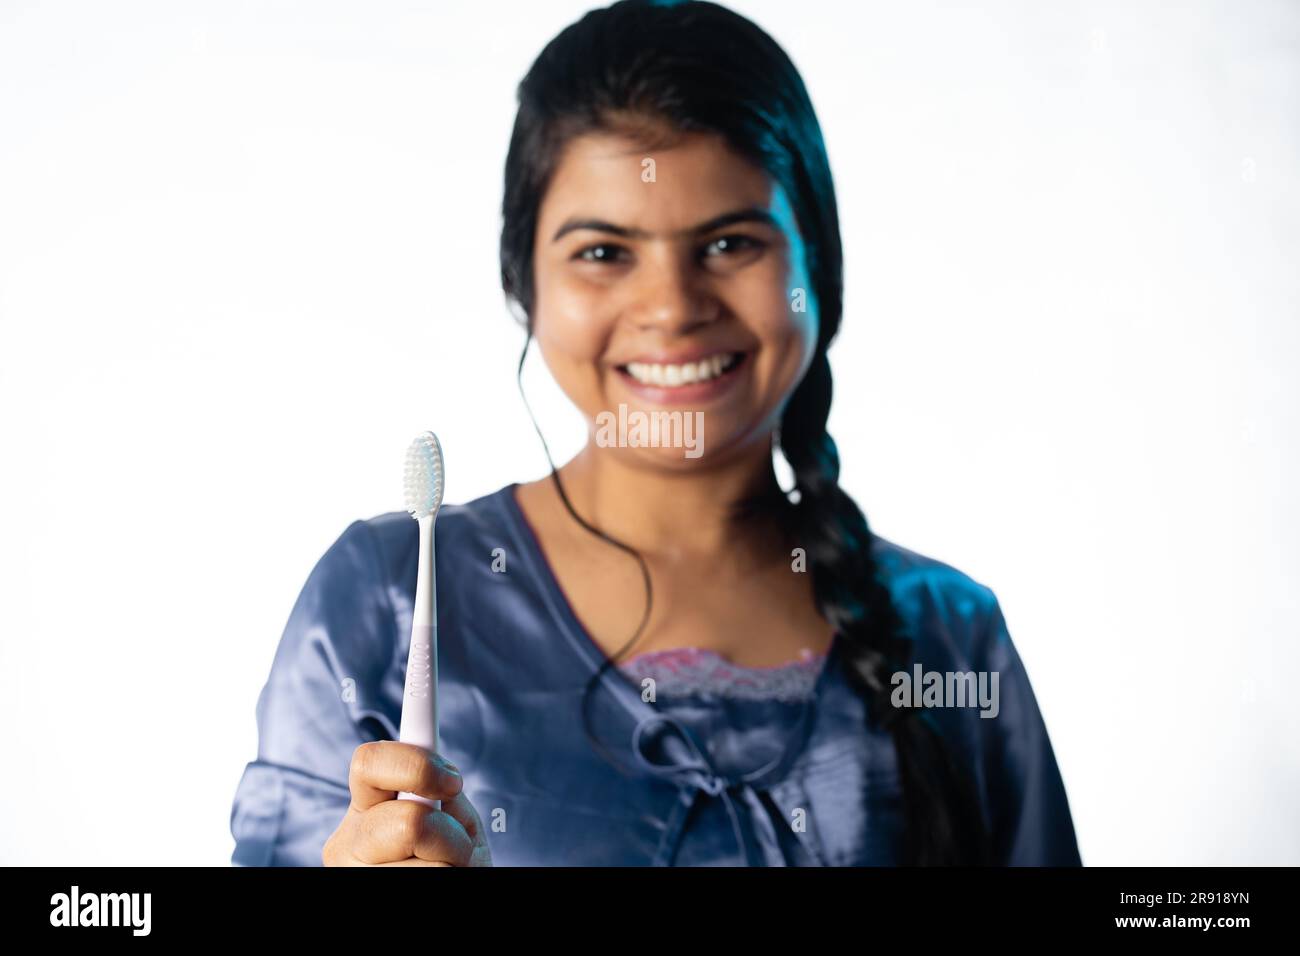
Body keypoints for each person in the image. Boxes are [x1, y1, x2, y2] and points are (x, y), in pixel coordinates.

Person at [230, 0, 1082, 867]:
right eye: (604, 253)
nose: (673, 308)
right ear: (522, 282)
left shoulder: (951, 634)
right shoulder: (385, 604)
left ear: (817, 265)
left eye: (728, 243)